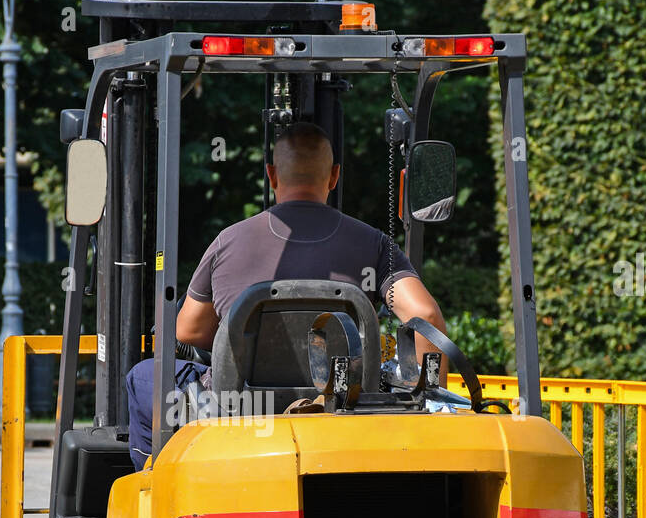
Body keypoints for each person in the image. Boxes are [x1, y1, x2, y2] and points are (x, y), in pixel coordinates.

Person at [126, 121, 448, 470]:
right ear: (334, 176)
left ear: (271, 175)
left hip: (242, 409)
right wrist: (430, 409)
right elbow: (426, 317)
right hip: (341, 406)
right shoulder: (372, 243)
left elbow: (188, 333)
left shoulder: (229, 242)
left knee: (143, 376)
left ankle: (156, 481)